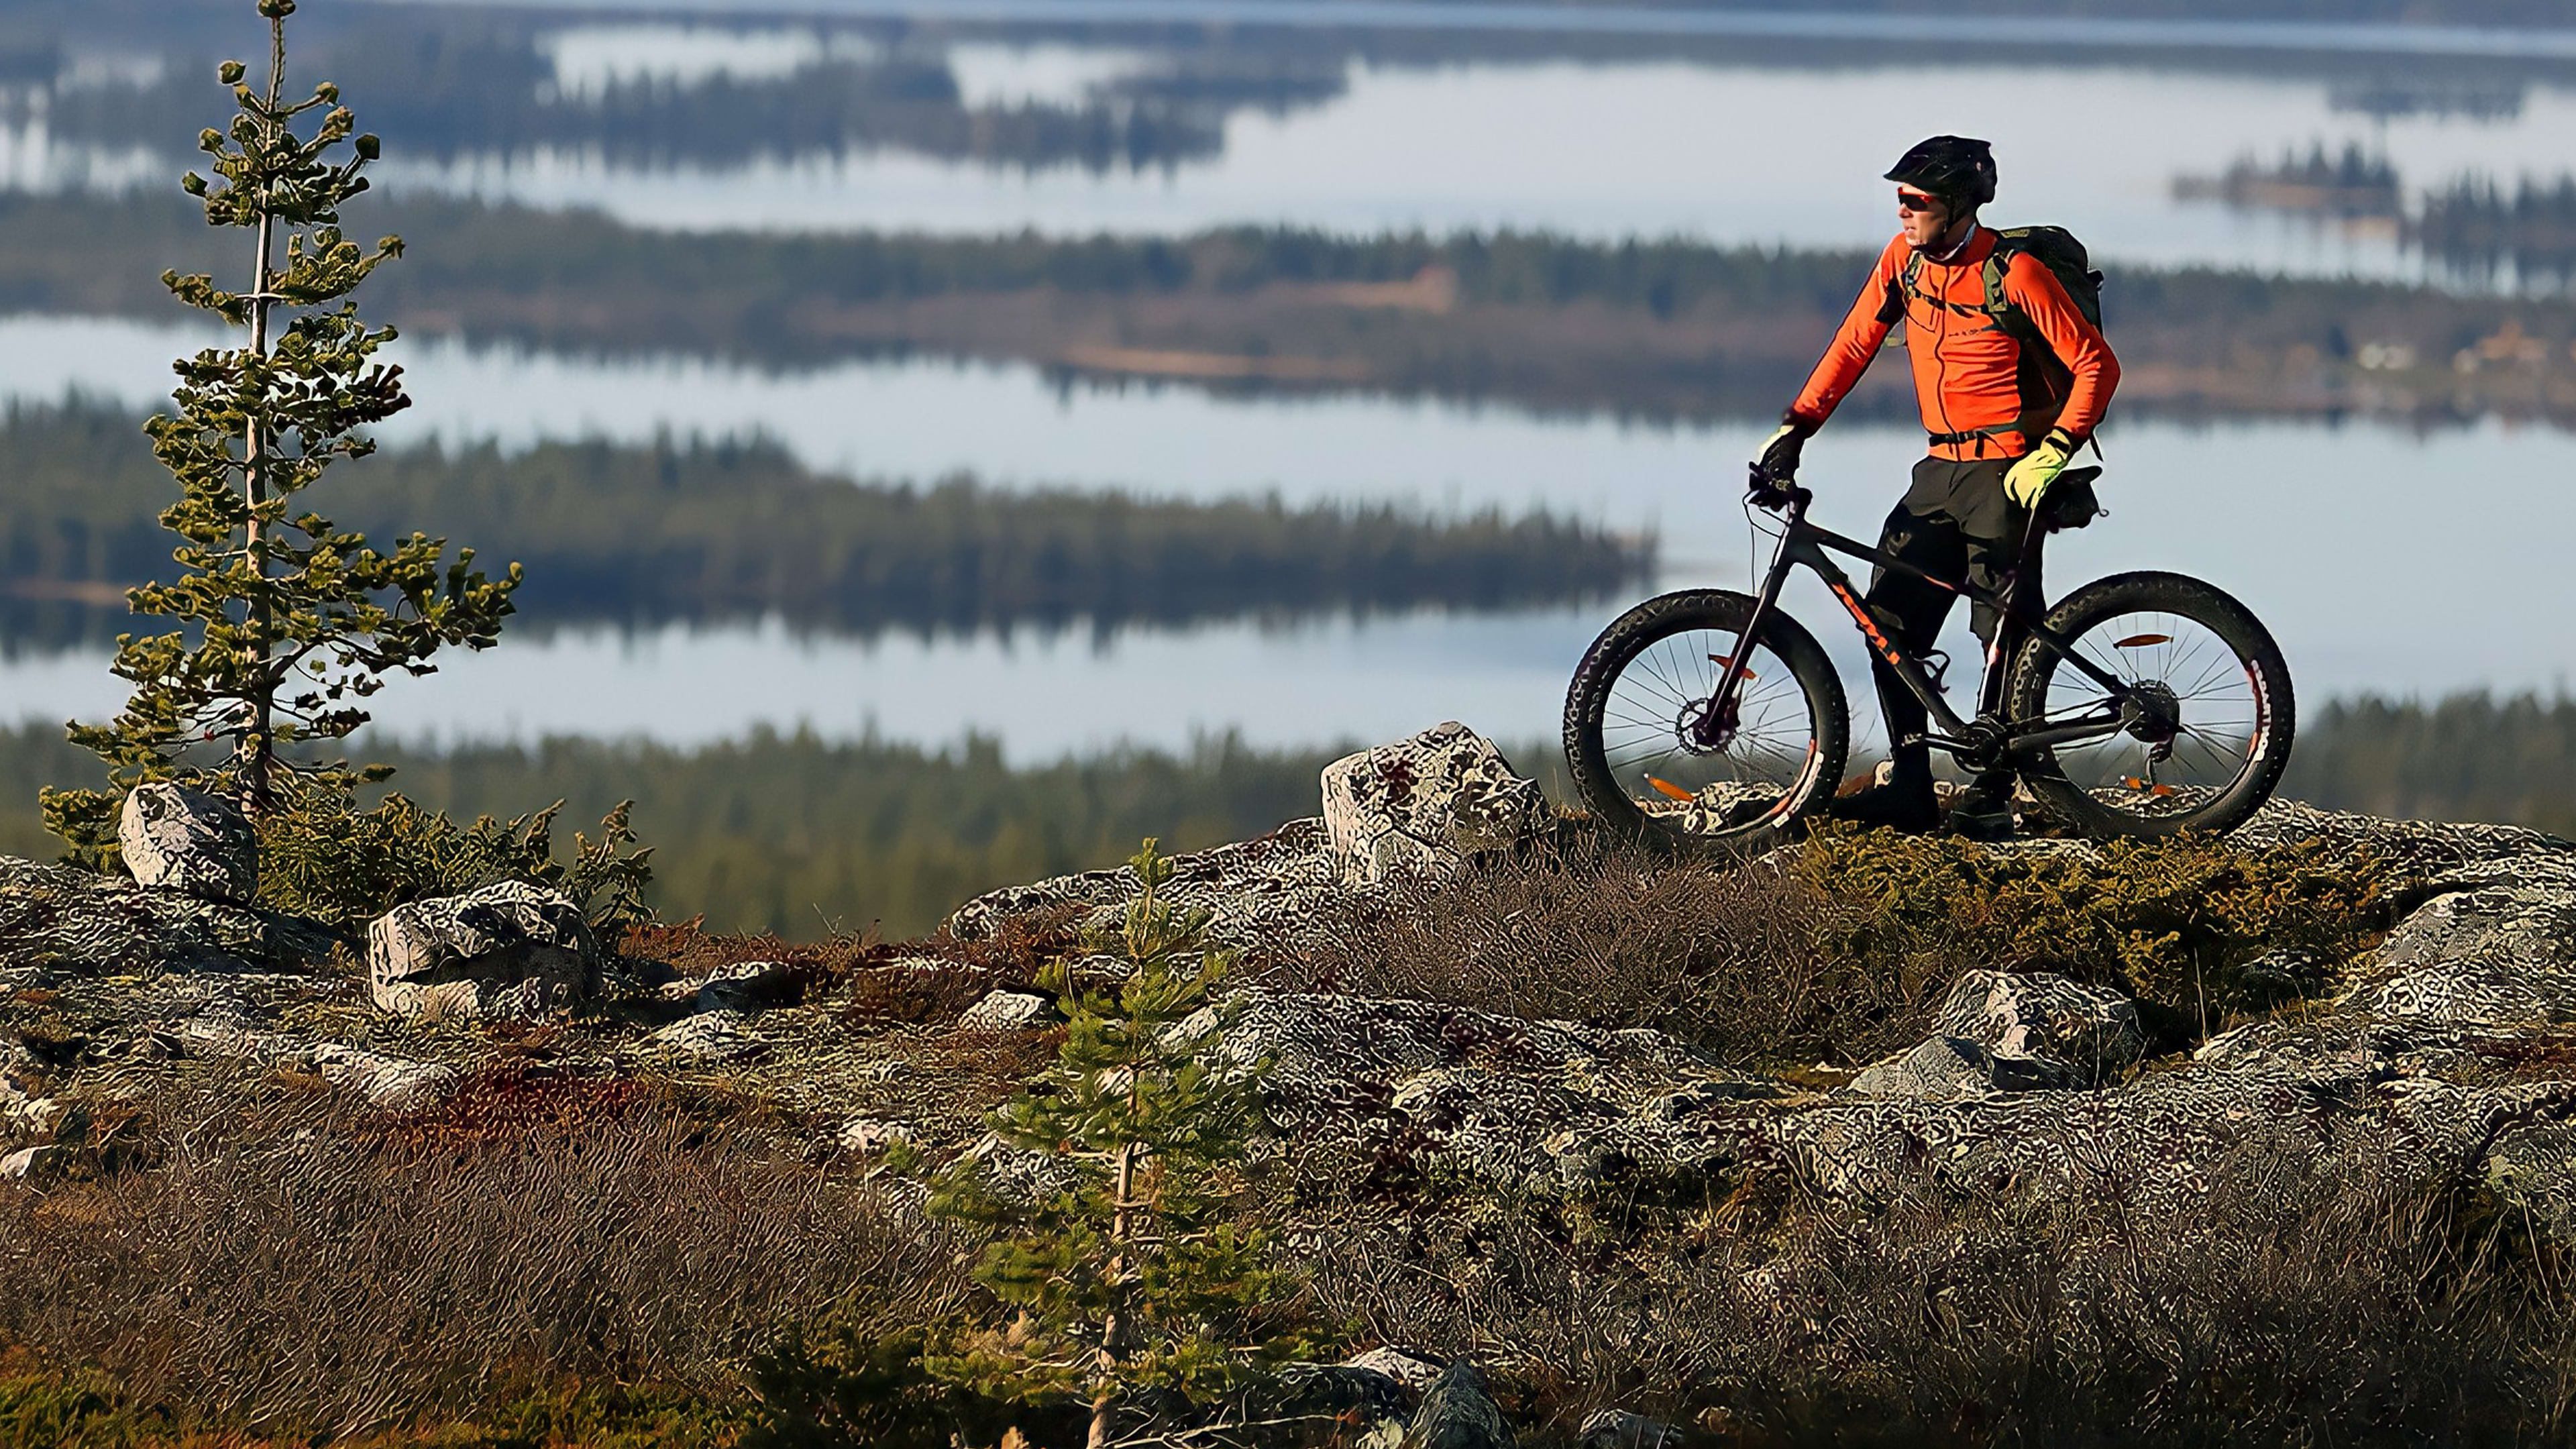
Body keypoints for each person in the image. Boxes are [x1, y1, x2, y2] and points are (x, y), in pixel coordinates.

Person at [1752, 134, 2118, 835]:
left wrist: (2056, 452)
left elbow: (2097, 366)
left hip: (2008, 469)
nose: (1903, 211)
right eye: (1899, 199)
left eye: (1916, 201)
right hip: (1939, 470)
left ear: (1957, 207)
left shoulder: (2014, 274)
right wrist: (1797, 428)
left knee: (2000, 636)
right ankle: (1912, 788)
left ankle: (1991, 794)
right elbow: (1855, 343)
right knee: (1887, 626)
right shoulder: (1904, 264)